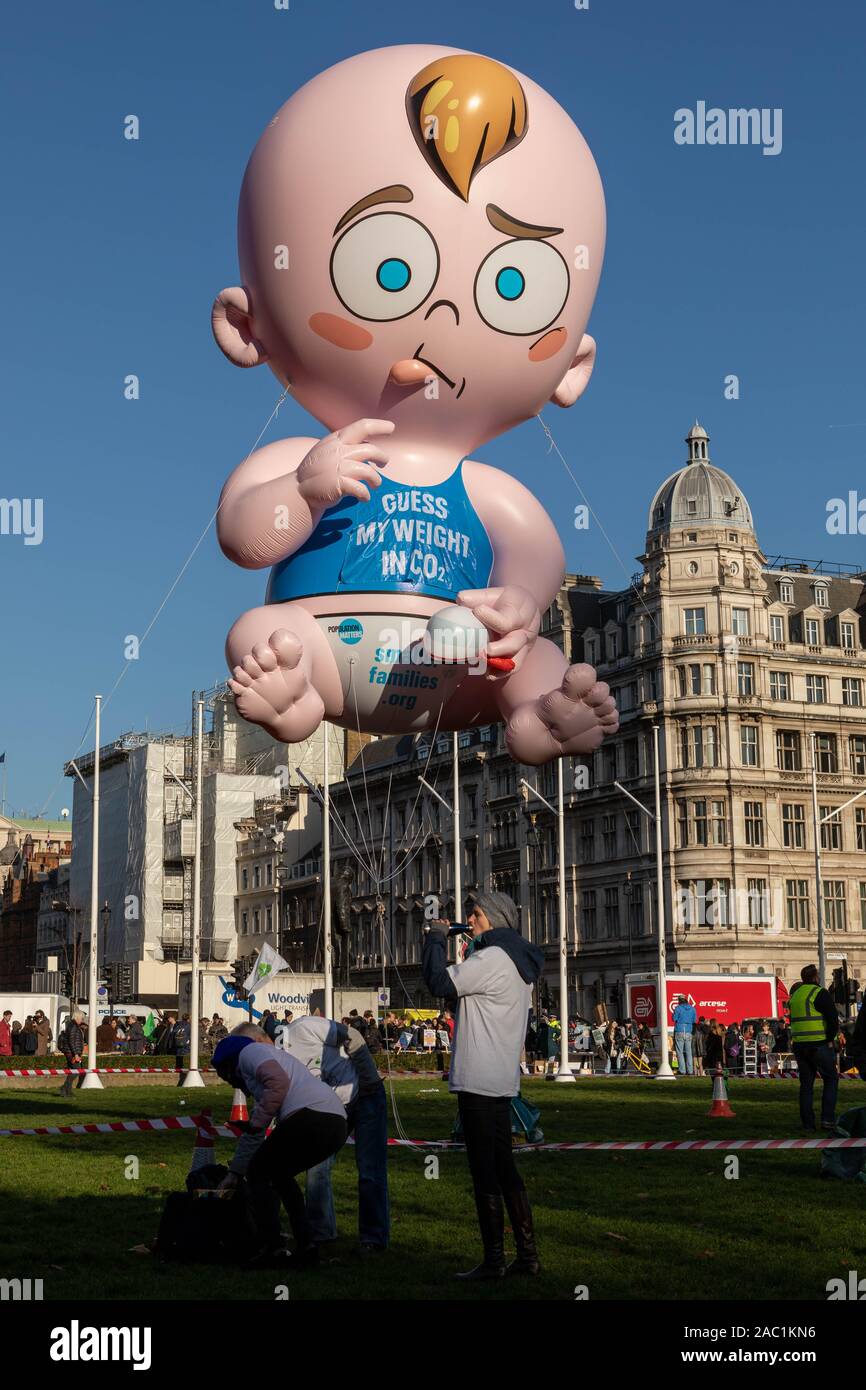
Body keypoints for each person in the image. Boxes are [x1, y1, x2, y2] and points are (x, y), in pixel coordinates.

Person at [422, 890, 544, 1280]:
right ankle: (526, 1256)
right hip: (502, 1076)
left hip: (477, 1075)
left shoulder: (490, 958)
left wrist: (436, 938)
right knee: (505, 1166)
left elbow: (438, 983)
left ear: (492, 918)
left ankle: (494, 1260)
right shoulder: (517, 963)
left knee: (483, 1171)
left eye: (475, 915)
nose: (469, 921)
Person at [212, 1025, 348, 1268]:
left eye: (226, 1076)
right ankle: (306, 1245)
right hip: (335, 1123)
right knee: (280, 1176)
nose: (232, 1083)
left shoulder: (249, 1054)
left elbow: (278, 1084)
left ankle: (272, 1246)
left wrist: (255, 1124)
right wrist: (234, 1173)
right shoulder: (271, 1058)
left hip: (311, 1116)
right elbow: (255, 1132)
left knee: (259, 1173)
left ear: (227, 1064)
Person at [278, 1013, 390, 1253]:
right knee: (317, 1167)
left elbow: (353, 1035)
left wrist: (368, 1079)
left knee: (370, 1170)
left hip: (366, 1095)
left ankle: (374, 1238)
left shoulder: (306, 1027)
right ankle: (321, 1233)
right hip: (333, 1106)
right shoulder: (278, 1068)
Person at [788, 964, 839, 1131]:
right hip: (819, 1043)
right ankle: (828, 1120)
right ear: (816, 977)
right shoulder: (819, 993)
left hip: (800, 1046)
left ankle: (808, 1124)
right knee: (830, 1079)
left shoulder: (795, 995)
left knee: (806, 1085)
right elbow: (833, 1020)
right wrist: (830, 1039)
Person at [58, 1011, 86, 1095]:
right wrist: (76, 1054)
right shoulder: (74, 1026)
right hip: (72, 1053)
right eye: (81, 1018)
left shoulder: (72, 1025)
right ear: (77, 1017)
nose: (82, 1020)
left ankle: (67, 1090)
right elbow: (72, 1041)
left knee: (73, 1071)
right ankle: (64, 1089)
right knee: (76, 1071)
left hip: (71, 1052)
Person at [672, 995, 696, 1076]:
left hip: (680, 1029)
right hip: (689, 1030)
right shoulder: (692, 1009)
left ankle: (682, 1070)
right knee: (689, 1052)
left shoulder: (678, 1008)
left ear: (679, 1000)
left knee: (680, 1052)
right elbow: (694, 1020)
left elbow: (674, 1019)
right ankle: (690, 1071)